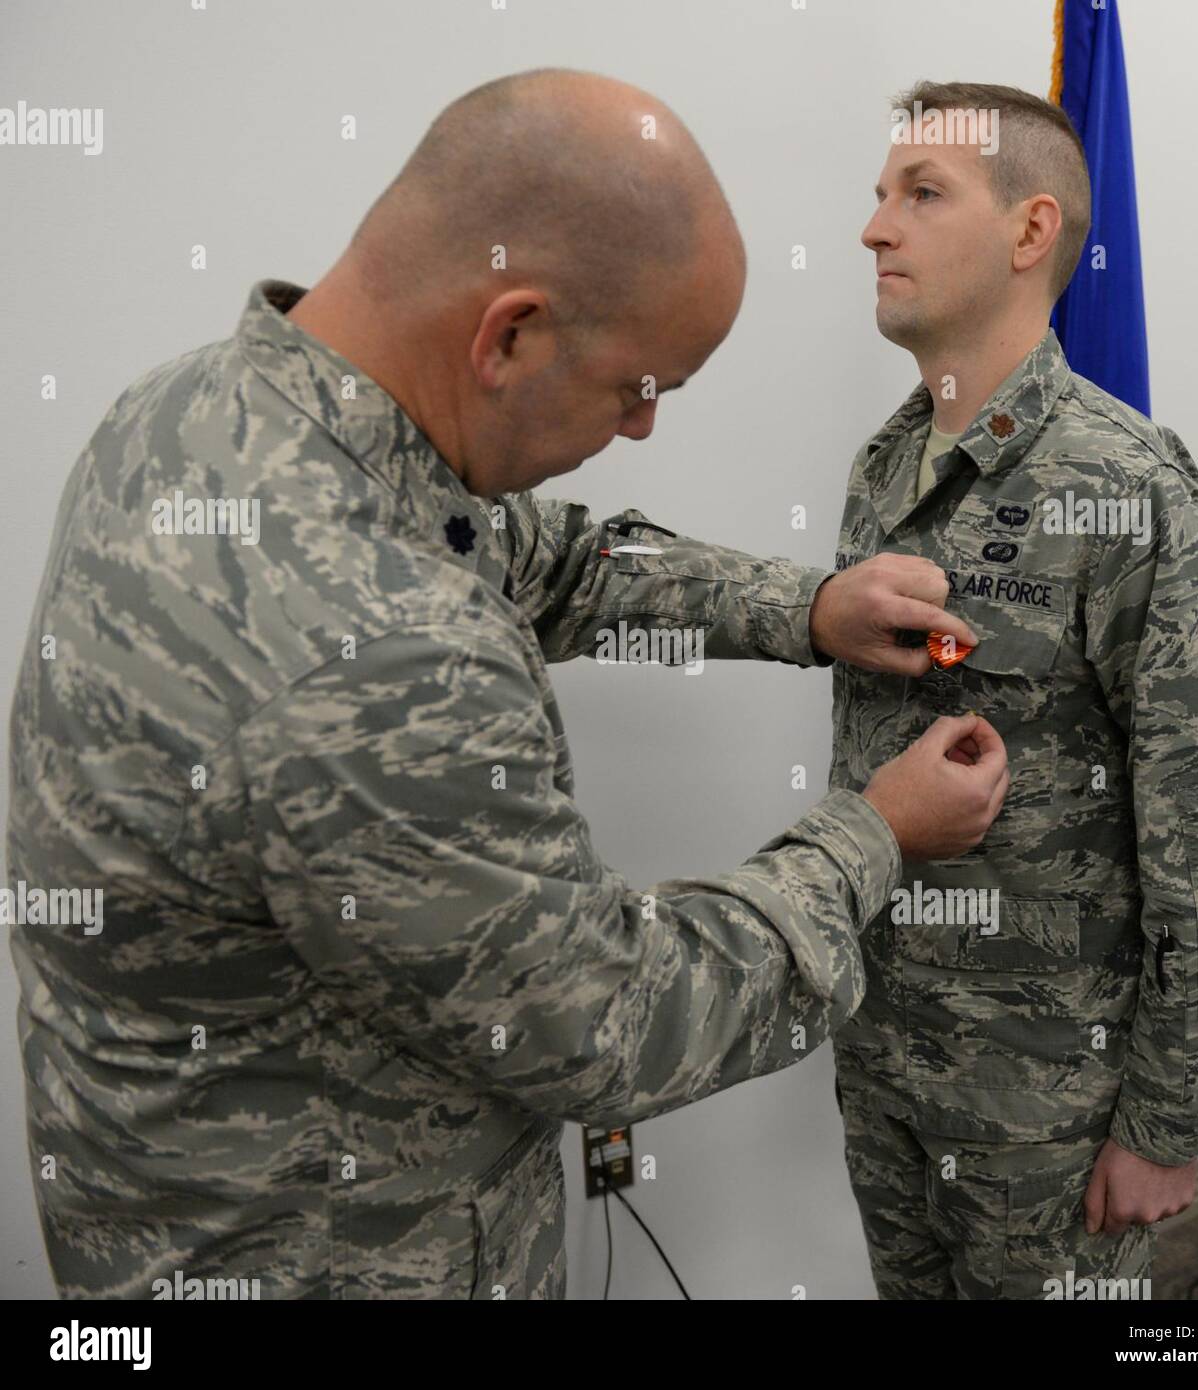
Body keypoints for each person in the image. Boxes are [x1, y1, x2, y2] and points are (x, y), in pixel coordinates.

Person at [7, 68, 1007, 1299]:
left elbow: (546, 559)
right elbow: (613, 1024)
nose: (640, 426)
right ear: (512, 334)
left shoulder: (193, 415)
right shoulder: (381, 651)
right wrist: (876, 836)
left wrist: (803, 608)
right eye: (638, 386)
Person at [829, 80, 1198, 1299]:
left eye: (921, 195)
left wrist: (1164, 1123)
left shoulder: (1121, 483)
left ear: (1031, 232)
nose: (875, 227)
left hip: (1051, 1115)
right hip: (887, 1075)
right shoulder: (882, 469)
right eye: (880, 196)